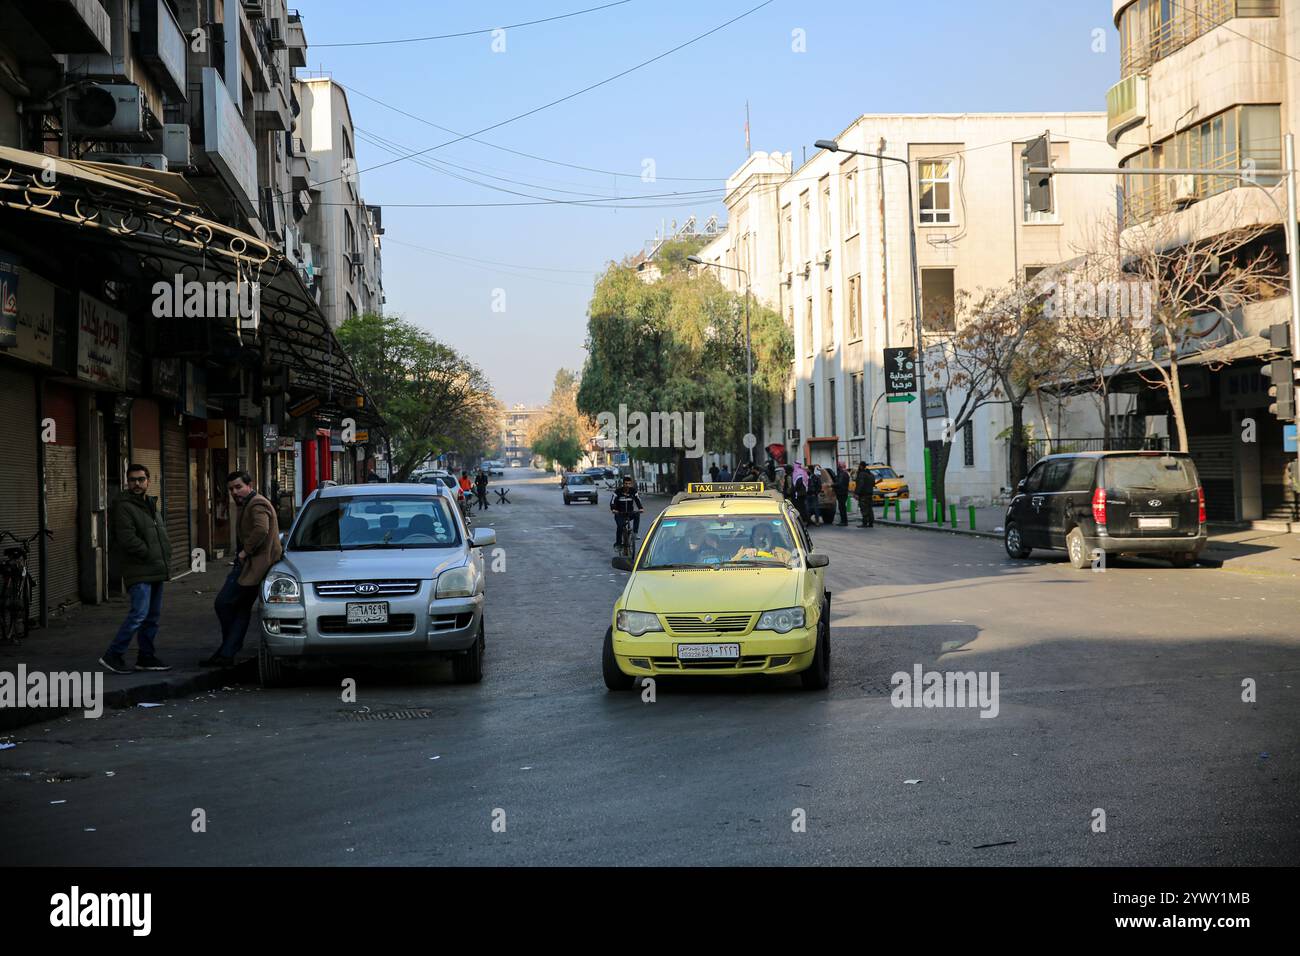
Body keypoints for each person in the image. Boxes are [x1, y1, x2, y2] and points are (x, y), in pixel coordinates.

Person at [202, 471, 282, 667]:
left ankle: (229, 648)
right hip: (252, 565)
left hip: (254, 566)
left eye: (238, 487)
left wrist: (245, 552)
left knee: (223, 603)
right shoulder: (248, 503)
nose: (235, 492)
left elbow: (261, 529)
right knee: (241, 608)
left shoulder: (257, 503)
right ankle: (227, 651)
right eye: (231, 489)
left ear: (249, 485)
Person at [99, 464, 172, 674]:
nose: (137, 484)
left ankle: (146, 657)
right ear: (127, 482)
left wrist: (165, 553)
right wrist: (149, 554)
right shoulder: (123, 506)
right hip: (139, 568)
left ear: (148, 481)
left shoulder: (150, 503)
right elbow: (127, 539)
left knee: (152, 616)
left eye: (141, 479)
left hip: (156, 567)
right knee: (139, 614)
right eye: (132, 480)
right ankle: (113, 654)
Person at [610, 475, 644, 550]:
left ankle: (635, 533)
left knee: (637, 514)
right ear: (623, 484)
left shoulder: (633, 491)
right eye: (626, 484)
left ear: (631, 484)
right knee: (620, 527)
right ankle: (618, 544)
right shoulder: (617, 491)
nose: (627, 485)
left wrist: (641, 508)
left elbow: (637, 500)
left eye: (629, 484)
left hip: (629, 512)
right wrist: (613, 509)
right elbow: (612, 501)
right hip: (619, 513)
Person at [855, 462, 876, 528]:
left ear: (861, 466)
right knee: (870, 509)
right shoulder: (871, 474)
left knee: (864, 509)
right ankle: (871, 523)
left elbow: (860, 484)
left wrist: (857, 493)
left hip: (863, 494)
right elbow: (873, 484)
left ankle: (864, 523)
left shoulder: (861, 474)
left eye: (859, 466)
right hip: (870, 494)